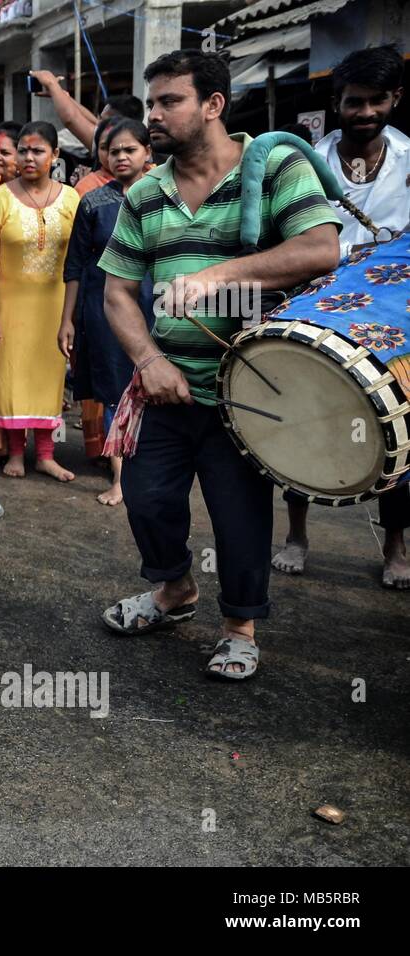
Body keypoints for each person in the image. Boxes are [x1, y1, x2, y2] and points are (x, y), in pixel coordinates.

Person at [98, 50, 340, 679]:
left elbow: (321, 248)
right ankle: (175, 593)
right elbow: (118, 291)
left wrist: (219, 274)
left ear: (213, 104)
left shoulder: (276, 164)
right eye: (150, 103)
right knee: (148, 504)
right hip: (167, 385)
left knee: (240, 517)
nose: (152, 115)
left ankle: (239, 626)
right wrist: (148, 359)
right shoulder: (145, 192)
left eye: (168, 101)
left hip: (249, 390)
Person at [275, 43, 410, 588]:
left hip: (391, 316)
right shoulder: (306, 161)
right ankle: (297, 535)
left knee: (396, 428)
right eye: (354, 102)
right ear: (337, 104)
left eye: (377, 101)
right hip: (316, 305)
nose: (365, 113)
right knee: (298, 417)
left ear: (395, 98)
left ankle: (397, 548)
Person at [0, 121, 80, 482]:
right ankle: (17, 454)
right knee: (12, 376)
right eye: (23, 150)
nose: (29, 157)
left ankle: (46, 455)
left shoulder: (71, 199)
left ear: (55, 155)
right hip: (8, 306)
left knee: (49, 376)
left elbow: (78, 261)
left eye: (38, 151)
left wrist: (74, 315)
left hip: (55, 307)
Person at [59, 119, 155, 506]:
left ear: (148, 153)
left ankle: (151, 471)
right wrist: (67, 320)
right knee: (115, 391)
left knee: (153, 386)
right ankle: (120, 478)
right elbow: (75, 266)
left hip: (156, 305)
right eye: (113, 151)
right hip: (103, 310)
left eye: (129, 149)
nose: (120, 157)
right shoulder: (93, 204)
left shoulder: (166, 198)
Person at [29, 70, 145, 154]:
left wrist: (51, 83)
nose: (98, 124)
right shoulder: (137, 144)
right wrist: (64, 97)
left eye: (105, 122)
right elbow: (95, 122)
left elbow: (70, 119)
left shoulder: (110, 146)